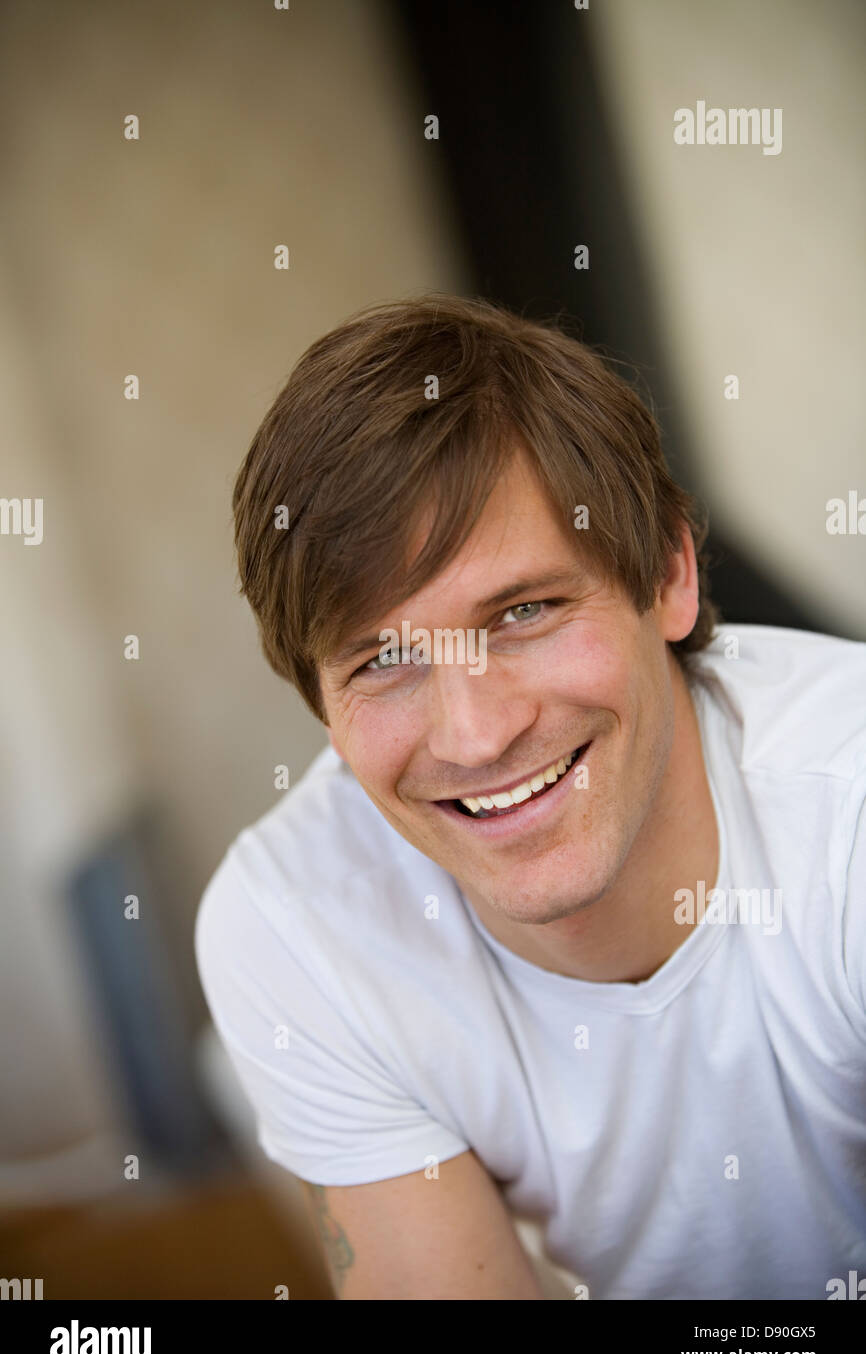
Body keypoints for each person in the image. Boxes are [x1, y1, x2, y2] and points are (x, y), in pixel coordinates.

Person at [195, 292, 866, 1300]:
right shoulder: (291, 925)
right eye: (382, 658)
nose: (474, 734)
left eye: (522, 611)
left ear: (669, 573)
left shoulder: (844, 803)